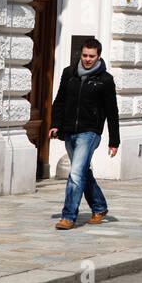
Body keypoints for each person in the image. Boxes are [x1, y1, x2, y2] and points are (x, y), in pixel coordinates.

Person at [49, 38, 119, 229]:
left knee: (75, 174)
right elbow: (60, 101)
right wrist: (55, 124)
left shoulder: (105, 80)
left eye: (92, 56)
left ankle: (68, 216)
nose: (88, 59)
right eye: (85, 55)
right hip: (69, 131)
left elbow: (112, 111)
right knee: (82, 173)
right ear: (81, 54)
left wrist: (114, 141)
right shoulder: (69, 73)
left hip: (90, 133)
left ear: (99, 57)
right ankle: (99, 207)